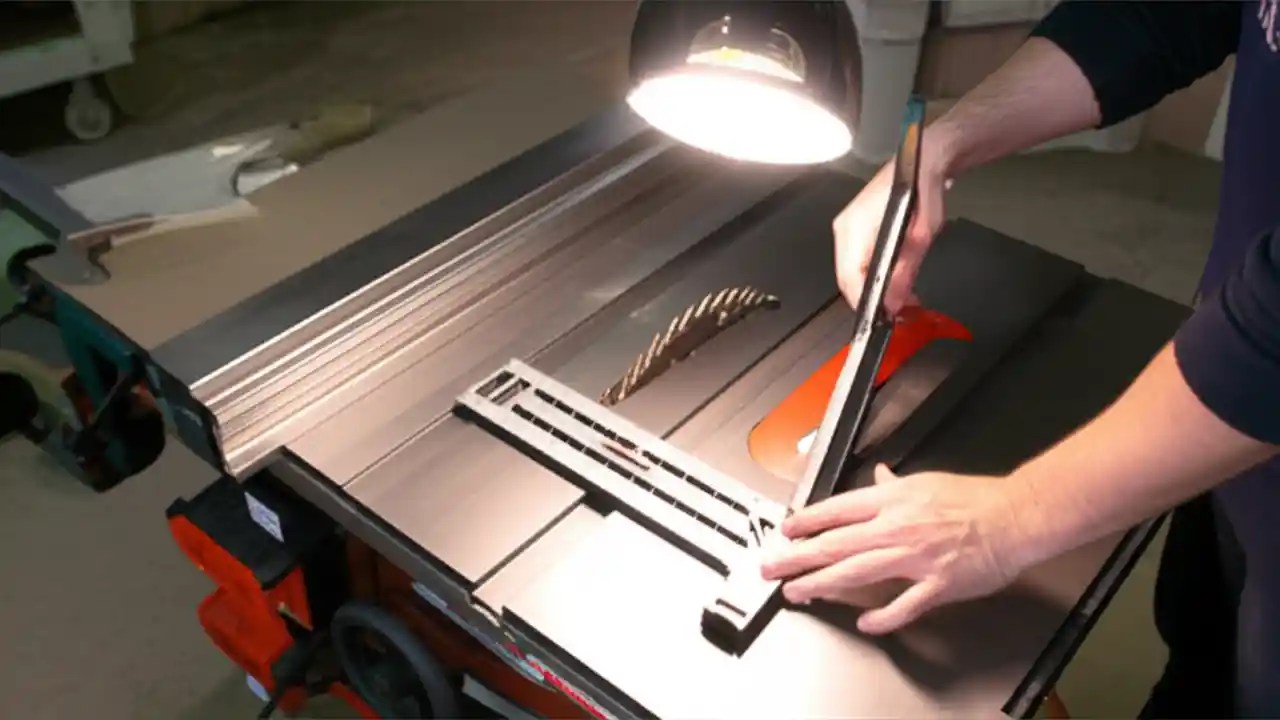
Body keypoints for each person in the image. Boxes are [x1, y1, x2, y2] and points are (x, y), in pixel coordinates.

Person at [760, 1, 1280, 716]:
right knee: (1199, 650)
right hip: (1224, 396)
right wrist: (942, 146)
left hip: (1259, 385)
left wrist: (1009, 520)